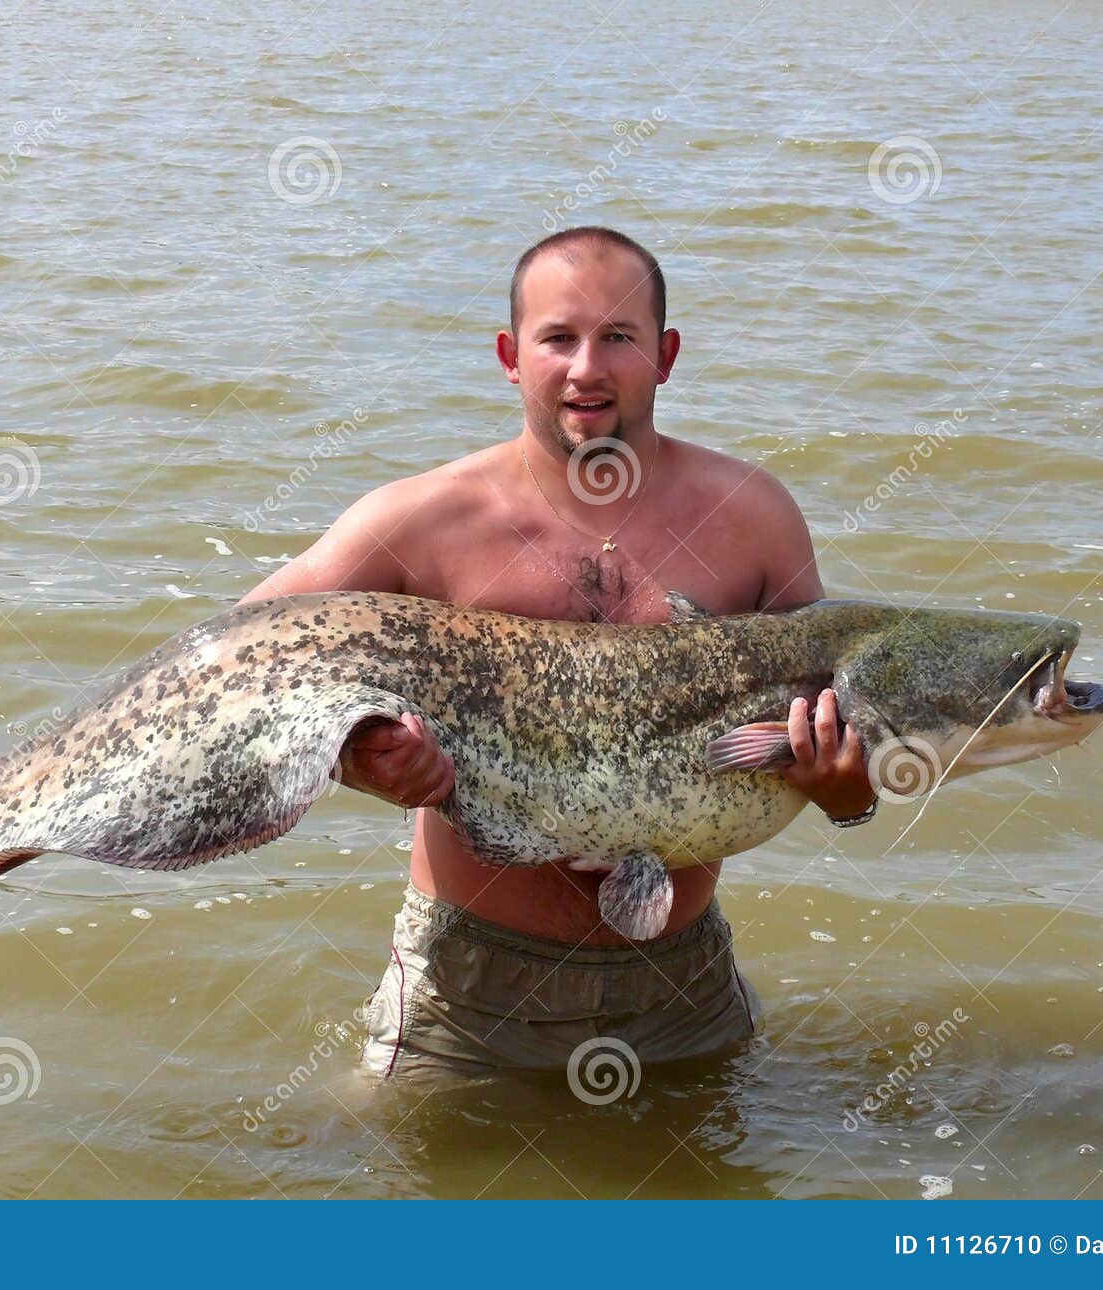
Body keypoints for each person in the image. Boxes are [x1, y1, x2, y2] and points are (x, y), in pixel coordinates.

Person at [239, 227, 877, 1078]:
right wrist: (368, 764)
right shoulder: (424, 520)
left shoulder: (754, 515)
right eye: (558, 338)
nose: (587, 367)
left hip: (684, 989)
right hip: (466, 996)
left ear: (666, 355)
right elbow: (240, 662)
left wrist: (849, 795)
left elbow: (834, 724)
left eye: (618, 337)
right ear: (510, 355)